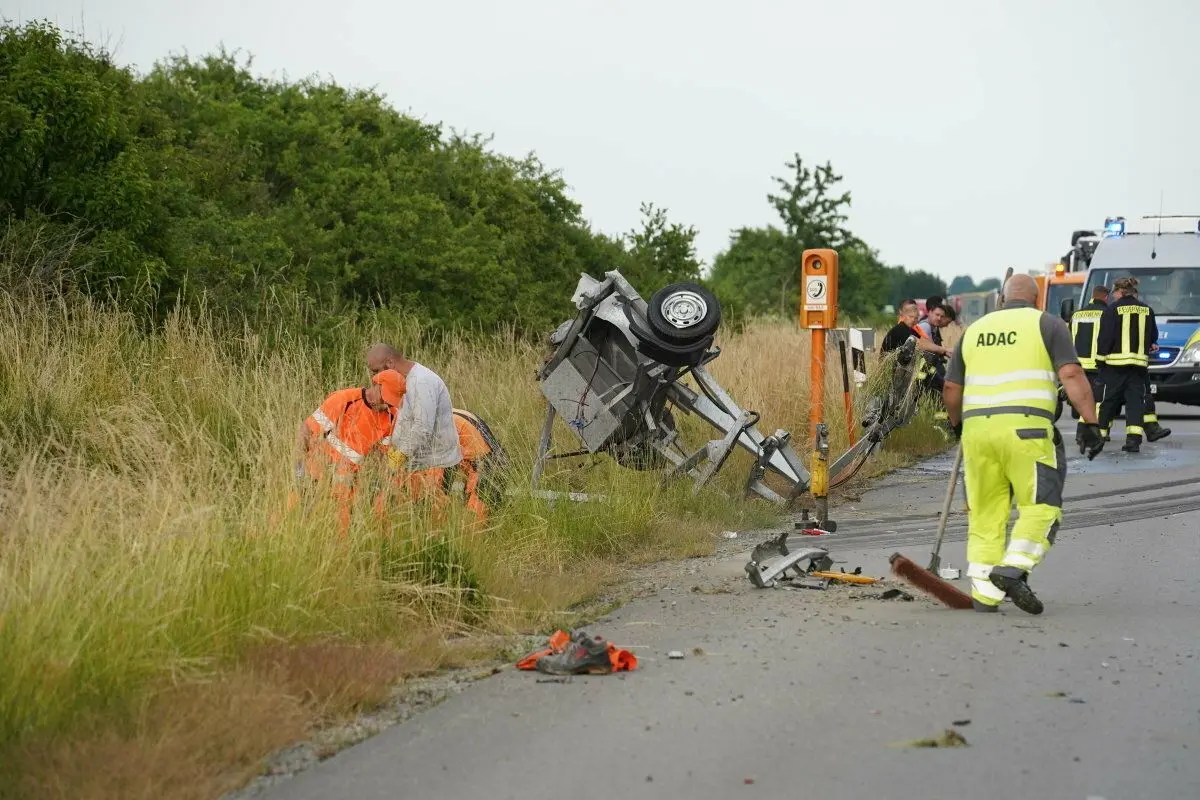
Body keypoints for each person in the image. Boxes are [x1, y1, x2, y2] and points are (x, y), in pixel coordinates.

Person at [943, 273, 1104, 615]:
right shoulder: (1048, 324)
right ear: (1036, 299)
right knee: (1042, 507)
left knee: (985, 514)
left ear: (1002, 299)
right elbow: (1071, 375)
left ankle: (985, 594)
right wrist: (1091, 421)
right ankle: (1013, 567)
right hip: (1027, 431)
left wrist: (958, 427)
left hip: (978, 434)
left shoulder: (974, 331)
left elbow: (951, 389)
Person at [294, 369, 406, 533]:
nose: (385, 405)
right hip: (315, 473)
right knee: (295, 519)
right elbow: (307, 430)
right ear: (376, 384)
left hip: (348, 483)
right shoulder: (344, 399)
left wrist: (381, 486)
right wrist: (298, 470)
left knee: (341, 532)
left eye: (390, 402)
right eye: (385, 398)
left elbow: (381, 456)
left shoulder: (391, 416)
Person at [365, 343, 462, 507]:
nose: (375, 378)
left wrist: (400, 455)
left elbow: (422, 428)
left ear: (390, 363)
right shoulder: (403, 382)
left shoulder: (422, 381)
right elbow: (405, 420)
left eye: (376, 371)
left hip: (436, 465)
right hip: (418, 465)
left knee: (431, 518)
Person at [1096, 277, 1163, 453]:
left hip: (1115, 365)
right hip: (1138, 366)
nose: (1113, 296)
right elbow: (1153, 336)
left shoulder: (1112, 310)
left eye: (1114, 292)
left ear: (1120, 291)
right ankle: (1133, 441)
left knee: (1109, 401)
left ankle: (1099, 436)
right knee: (1135, 403)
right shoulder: (1147, 310)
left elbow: (1105, 337)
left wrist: (1100, 361)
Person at [1069, 285, 1110, 443]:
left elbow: (1069, 339)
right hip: (1097, 365)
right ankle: (1086, 432)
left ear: (1093, 296)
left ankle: (1083, 433)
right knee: (1098, 401)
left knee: (1083, 399)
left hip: (1078, 365)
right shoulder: (1106, 314)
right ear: (1106, 297)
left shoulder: (1077, 315)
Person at [881, 299, 952, 358]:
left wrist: (945, 351)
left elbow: (925, 342)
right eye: (910, 317)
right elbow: (921, 344)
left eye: (916, 318)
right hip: (888, 367)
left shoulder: (912, 329)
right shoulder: (900, 329)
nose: (913, 320)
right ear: (903, 315)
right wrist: (944, 350)